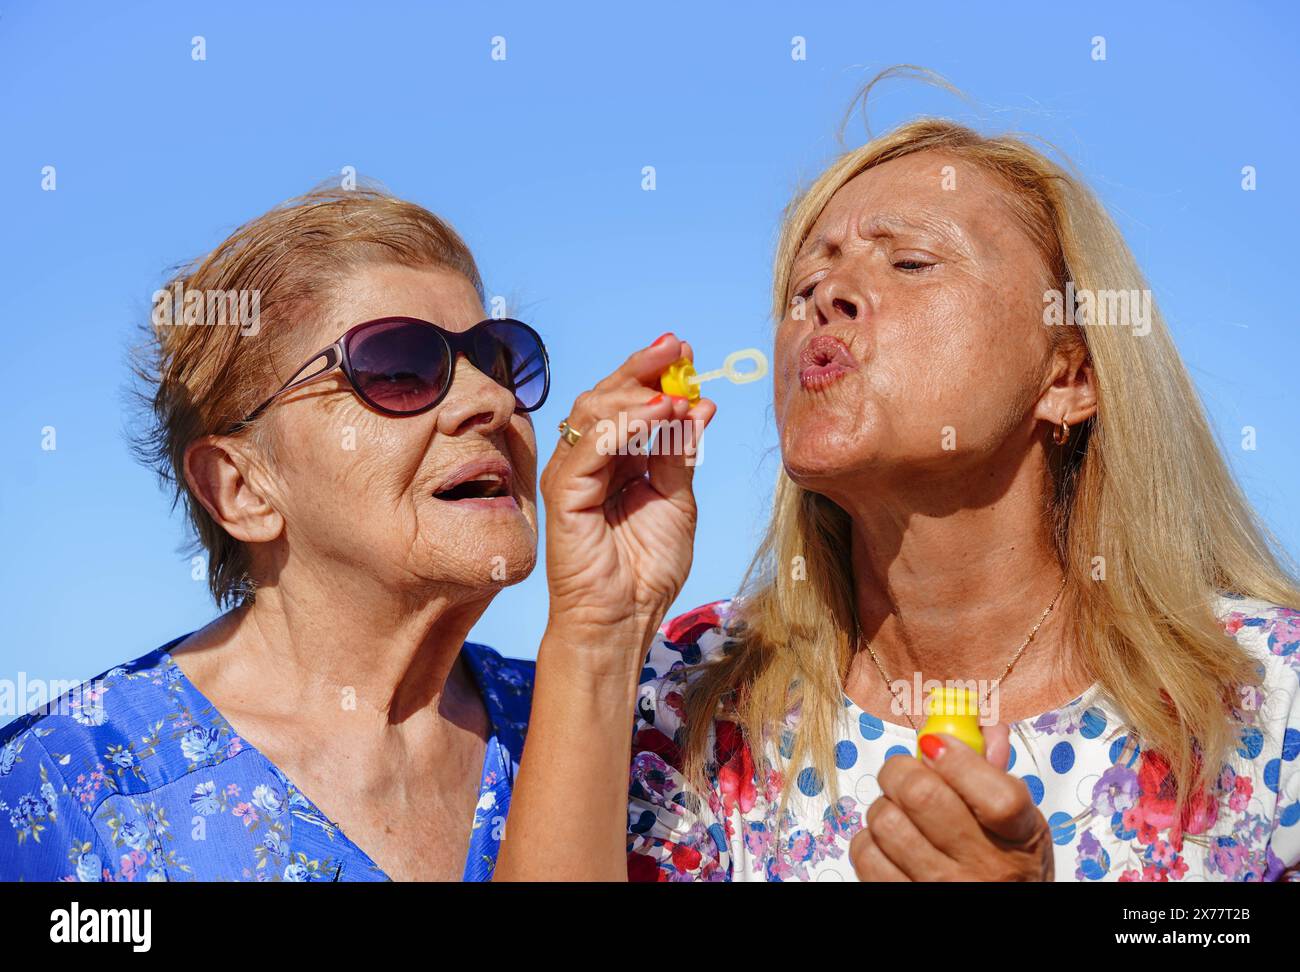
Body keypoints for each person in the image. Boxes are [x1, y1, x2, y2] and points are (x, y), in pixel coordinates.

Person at [497, 108, 1300, 882]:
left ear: (1070, 376)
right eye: (806, 281)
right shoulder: (698, 691)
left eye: (910, 262)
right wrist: (598, 629)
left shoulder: (1269, 700)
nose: (826, 298)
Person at [0, 186, 547, 881]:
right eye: (401, 369)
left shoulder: (601, 730)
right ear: (243, 488)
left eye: (498, 359)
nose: (493, 400)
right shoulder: (66, 791)